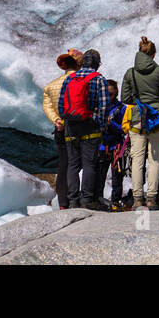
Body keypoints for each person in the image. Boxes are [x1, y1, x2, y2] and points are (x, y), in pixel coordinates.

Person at [121, 37, 159, 209]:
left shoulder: (130, 73)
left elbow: (125, 98)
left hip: (137, 119)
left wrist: (139, 100)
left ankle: (137, 199)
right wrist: (157, 99)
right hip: (157, 119)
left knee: (137, 160)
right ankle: (151, 198)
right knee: (155, 160)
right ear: (153, 54)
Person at [62, 49, 112, 210]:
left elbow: (61, 105)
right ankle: (86, 199)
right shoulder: (99, 79)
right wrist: (102, 126)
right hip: (90, 125)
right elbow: (104, 107)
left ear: (82, 63)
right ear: (97, 64)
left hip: (71, 126)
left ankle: (72, 200)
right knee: (89, 163)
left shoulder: (69, 78)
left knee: (73, 165)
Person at [43, 49, 80, 209]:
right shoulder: (82, 81)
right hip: (80, 127)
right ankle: (80, 199)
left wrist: (57, 120)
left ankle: (63, 203)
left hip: (60, 129)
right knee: (83, 164)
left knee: (64, 165)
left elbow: (47, 106)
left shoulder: (51, 86)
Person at [95, 80, 129, 211]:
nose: (109, 95)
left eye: (111, 92)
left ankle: (116, 200)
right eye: (106, 93)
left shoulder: (121, 108)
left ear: (116, 93)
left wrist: (110, 124)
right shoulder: (97, 108)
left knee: (117, 177)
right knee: (100, 176)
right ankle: (98, 199)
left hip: (117, 147)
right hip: (101, 146)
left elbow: (124, 130)